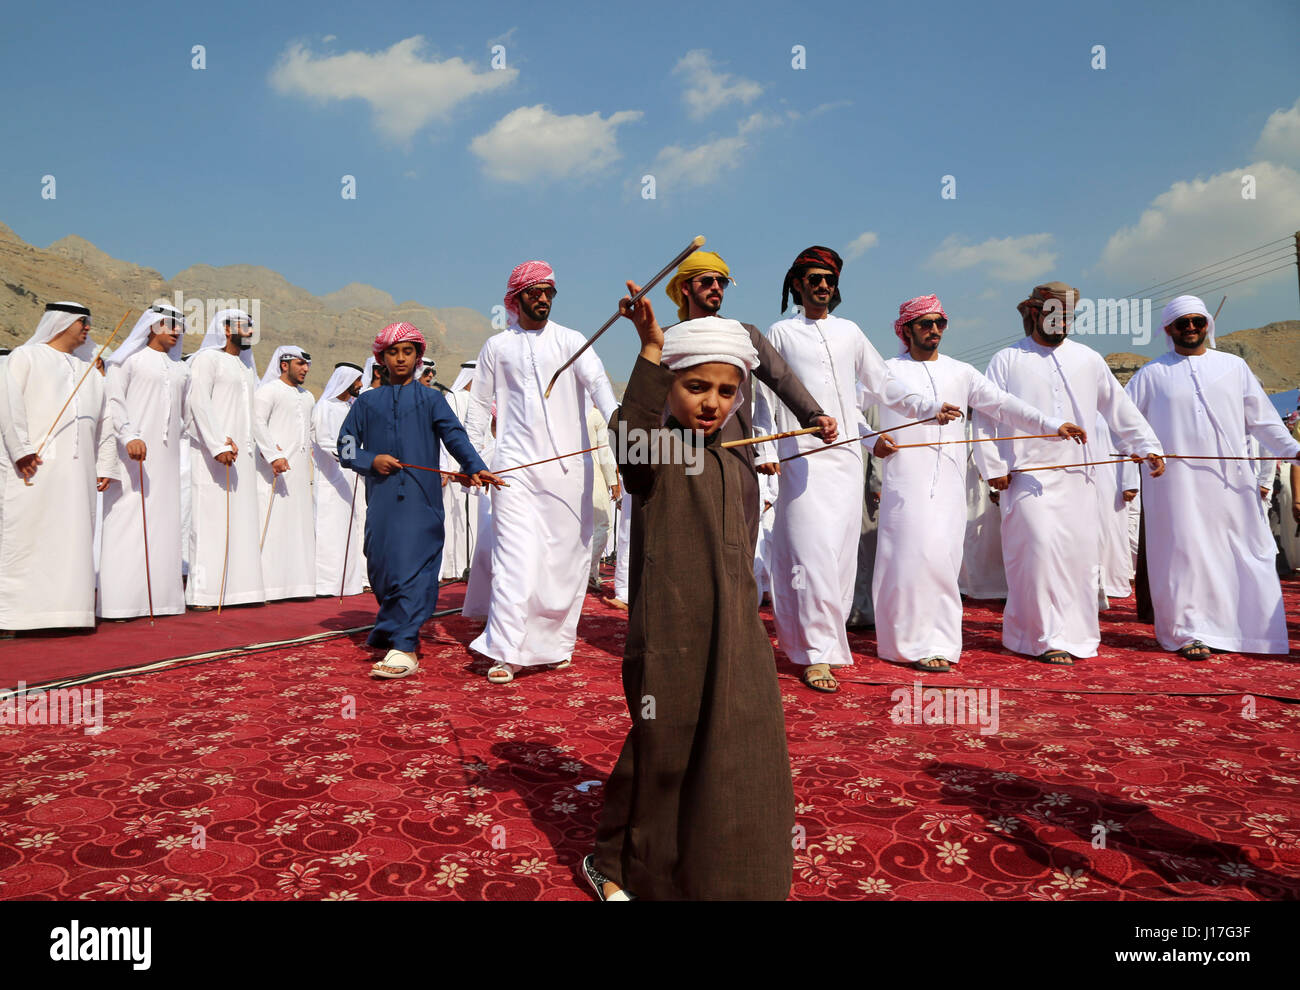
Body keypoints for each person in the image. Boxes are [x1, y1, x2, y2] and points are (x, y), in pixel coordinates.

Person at [585, 284, 793, 902]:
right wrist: (651, 347)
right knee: (666, 743)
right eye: (696, 387)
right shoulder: (657, 452)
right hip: (672, 629)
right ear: (671, 385)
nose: (711, 403)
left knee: (738, 745)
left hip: (735, 627)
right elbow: (628, 442)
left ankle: (723, 876)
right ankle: (622, 866)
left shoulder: (736, 459)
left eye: (726, 391)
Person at [753, 251, 964, 692]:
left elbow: (883, 383)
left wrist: (927, 408)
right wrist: (765, 447)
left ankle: (827, 645)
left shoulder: (850, 332)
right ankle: (812, 654)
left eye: (830, 279)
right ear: (796, 284)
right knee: (807, 558)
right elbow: (765, 394)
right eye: (814, 278)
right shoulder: (780, 332)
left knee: (838, 558)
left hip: (847, 460)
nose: (823, 286)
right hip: (801, 457)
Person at [872, 294, 1084, 672]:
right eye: (925, 323)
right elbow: (847, 410)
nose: (934, 330)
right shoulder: (886, 370)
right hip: (906, 482)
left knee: (942, 561)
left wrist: (1052, 426)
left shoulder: (961, 371)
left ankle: (938, 643)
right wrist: (869, 439)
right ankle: (900, 643)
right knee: (905, 560)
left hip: (950, 483)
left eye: (940, 323)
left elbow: (1004, 404)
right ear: (906, 330)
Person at [973, 282, 1164, 664]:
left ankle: (1075, 634)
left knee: (1077, 559)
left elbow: (1120, 409)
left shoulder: (1088, 359)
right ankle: (1040, 636)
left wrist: (1148, 447)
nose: (1060, 322)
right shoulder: (1007, 360)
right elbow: (985, 416)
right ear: (1033, 313)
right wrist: (993, 466)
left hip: (1081, 478)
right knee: (1038, 554)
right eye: (1052, 313)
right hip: (1028, 477)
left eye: (1067, 316)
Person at [464, 261, 618, 683]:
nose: (543, 298)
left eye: (549, 291)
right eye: (534, 291)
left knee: (563, 560)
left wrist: (618, 416)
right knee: (515, 557)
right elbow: (478, 406)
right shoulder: (497, 347)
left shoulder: (572, 340)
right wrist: (473, 460)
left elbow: (599, 383)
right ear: (517, 298)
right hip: (512, 467)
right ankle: (505, 649)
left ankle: (552, 643)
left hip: (570, 470)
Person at [1126, 295, 1300, 657]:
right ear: (1168, 330)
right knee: (1184, 554)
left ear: (1208, 325)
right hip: (1175, 486)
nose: (1190, 328)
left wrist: (1293, 452)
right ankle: (1189, 632)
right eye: (1182, 323)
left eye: (1197, 321)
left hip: (1232, 483)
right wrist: (1143, 451)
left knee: (1245, 551)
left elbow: (1264, 420)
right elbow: (1122, 422)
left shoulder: (1233, 367)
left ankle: (1248, 630)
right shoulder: (1151, 374)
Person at [339, 323, 500, 679]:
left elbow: (454, 436)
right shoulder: (366, 402)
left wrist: (475, 467)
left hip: (420, 500)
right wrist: (370, 460)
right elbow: (346, 445)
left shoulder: (431, 399)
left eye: (407, 352)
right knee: (381, 568)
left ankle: (405, 645)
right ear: (381, 358)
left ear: (417, 357)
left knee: (413, 569)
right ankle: (390, 626)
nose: (400, 359)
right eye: (393, 352)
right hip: (381, 502)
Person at [664, 249, 837, 549]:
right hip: (679, 459)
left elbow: (782, 378)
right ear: (685, 287)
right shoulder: (665, 338)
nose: (716, 287)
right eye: (707, 281)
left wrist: (814, 415)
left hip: (735, 459)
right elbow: (649, 402)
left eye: (722, 282)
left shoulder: (745, 334)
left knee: (737, 551)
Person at [0, 302, 115, 631]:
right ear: (60, 322)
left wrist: (104, 464)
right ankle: (15, 618)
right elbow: (8, 403)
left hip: (79, 475)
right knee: (28, 537)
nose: (88, 328)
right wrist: (22, 450)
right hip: (35, 467)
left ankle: (69, 615)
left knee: (75, 538)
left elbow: (106, 422)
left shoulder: (90, 372)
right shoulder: (26, 356)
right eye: (83, 322)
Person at [97, 304, 189, 619]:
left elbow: (186, 416)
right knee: (128, 521)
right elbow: (114, 403)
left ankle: (162, 601)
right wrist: (129, 436)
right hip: (132, 454)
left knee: (164, 523)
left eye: (180, 326)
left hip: (167, 459)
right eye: (171, 325)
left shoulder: (181, 370)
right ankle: (119, 603)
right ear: (152, 326)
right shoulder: (126, 361)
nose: (177, 332)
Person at [184, 308, 275, 610]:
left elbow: (252, 416)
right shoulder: (206, 360)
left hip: (243, 458)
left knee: (241, 522)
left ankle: (240, 591)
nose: (250, 330)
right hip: (215, 455)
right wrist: (217, 442)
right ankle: (203, 594)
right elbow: (198, 402)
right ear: (225, 328)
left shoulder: (246, 368)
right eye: (245, 325)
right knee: (209, 523)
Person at [256, 346, 316, 600]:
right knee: (274, 526)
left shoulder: (309, 397)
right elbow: (256, 423)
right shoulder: (268, 391)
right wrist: (273, 454)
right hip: (275, 471)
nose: (305, 369)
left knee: (299, 526)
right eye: (300, 363)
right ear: (284, 364)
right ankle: (268, 586)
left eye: (307, 365)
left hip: (300, 471)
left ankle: (299, 586)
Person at [313, 362, 365, 597]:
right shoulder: (325, 406)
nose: (360, 385)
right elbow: (324, 440)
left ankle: (348, 584)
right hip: (330, 478)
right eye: (357, 381)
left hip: (351, 476)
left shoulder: (351, 407)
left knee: (348, 529)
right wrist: (350, 457)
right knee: (329, 530)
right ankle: (326, 584)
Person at [439, 362, 480, 582]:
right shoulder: (453, 398)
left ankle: (470, 564)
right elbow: (446, 437)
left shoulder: (480, 400)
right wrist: (446, 468)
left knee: (471, 518)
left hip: (474, 466)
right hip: (454, 466)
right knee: (453, 519)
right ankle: (452, 568)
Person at [587, 404, 620, 591]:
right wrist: (613, 480)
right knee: (604, 524)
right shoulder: (595, 415)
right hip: (591, 473)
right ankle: (582, 571)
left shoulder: (564, 411)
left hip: (561, 477)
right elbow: (604, 451)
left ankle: (591, 574)